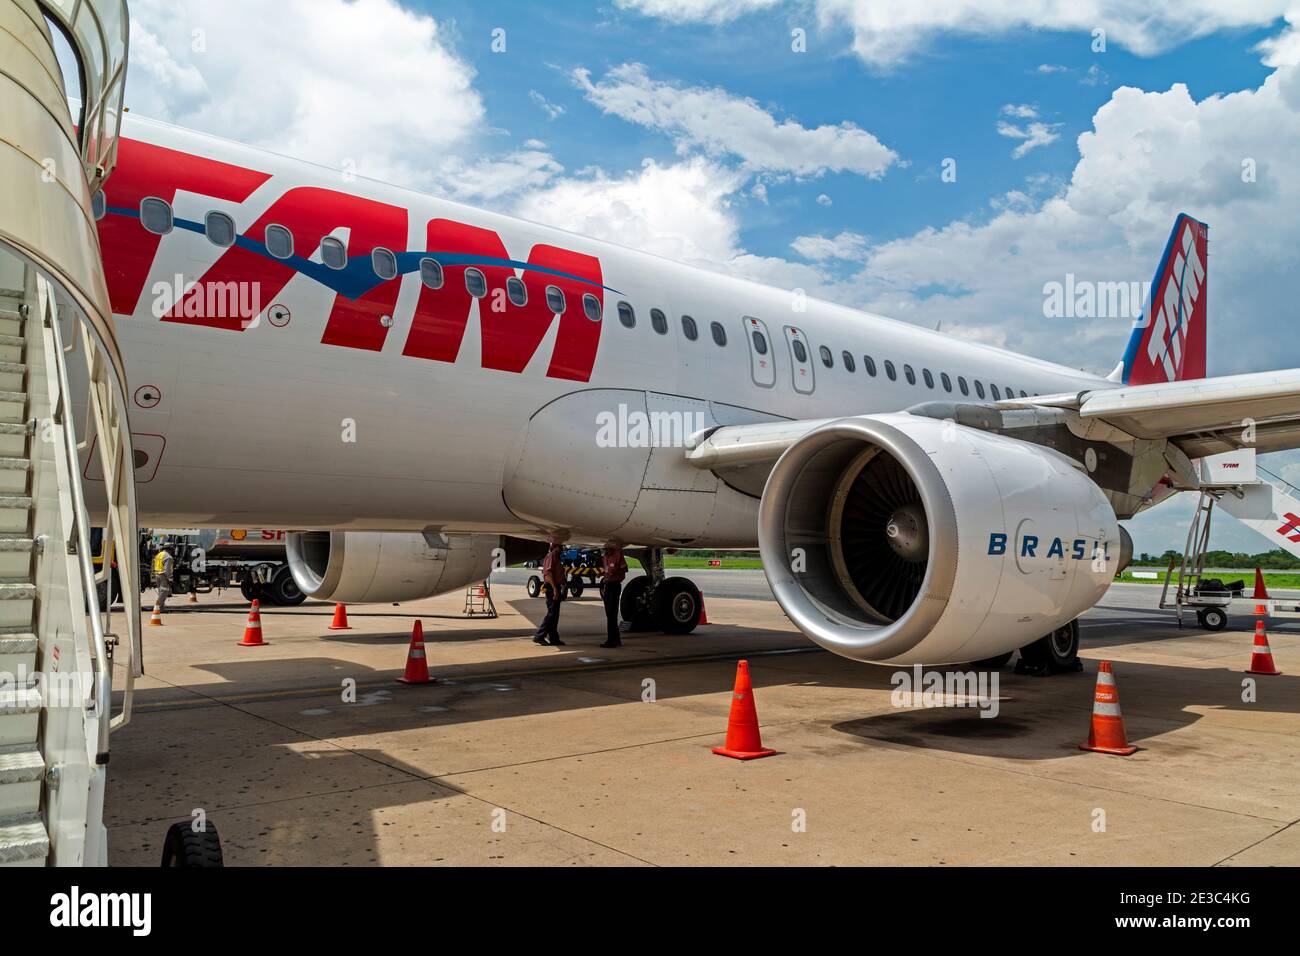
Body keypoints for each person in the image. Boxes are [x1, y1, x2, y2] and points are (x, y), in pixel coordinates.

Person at [532, 541, 566, 647]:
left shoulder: (555, 557)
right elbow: (548, 574)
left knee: (554, 615)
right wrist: (555, 589)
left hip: (555, 587)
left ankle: (554, 638)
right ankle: (539, 636)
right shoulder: (552, 556)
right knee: (551, 614)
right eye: (560, 547)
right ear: (555, 547)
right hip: (552, 588)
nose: (562, 549)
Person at [599, 543, 628, 648]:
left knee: (612, 614)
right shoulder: (605, 557)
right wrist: (603, 574)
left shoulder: (618, 555)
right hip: (607, 585)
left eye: (607, 549)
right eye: (605, 549)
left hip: (614, 585)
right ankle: (616, 639)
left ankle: (611, 640)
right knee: (609, 613)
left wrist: (615, 572)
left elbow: (625, 568)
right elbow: (606, 569)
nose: (606, 551)